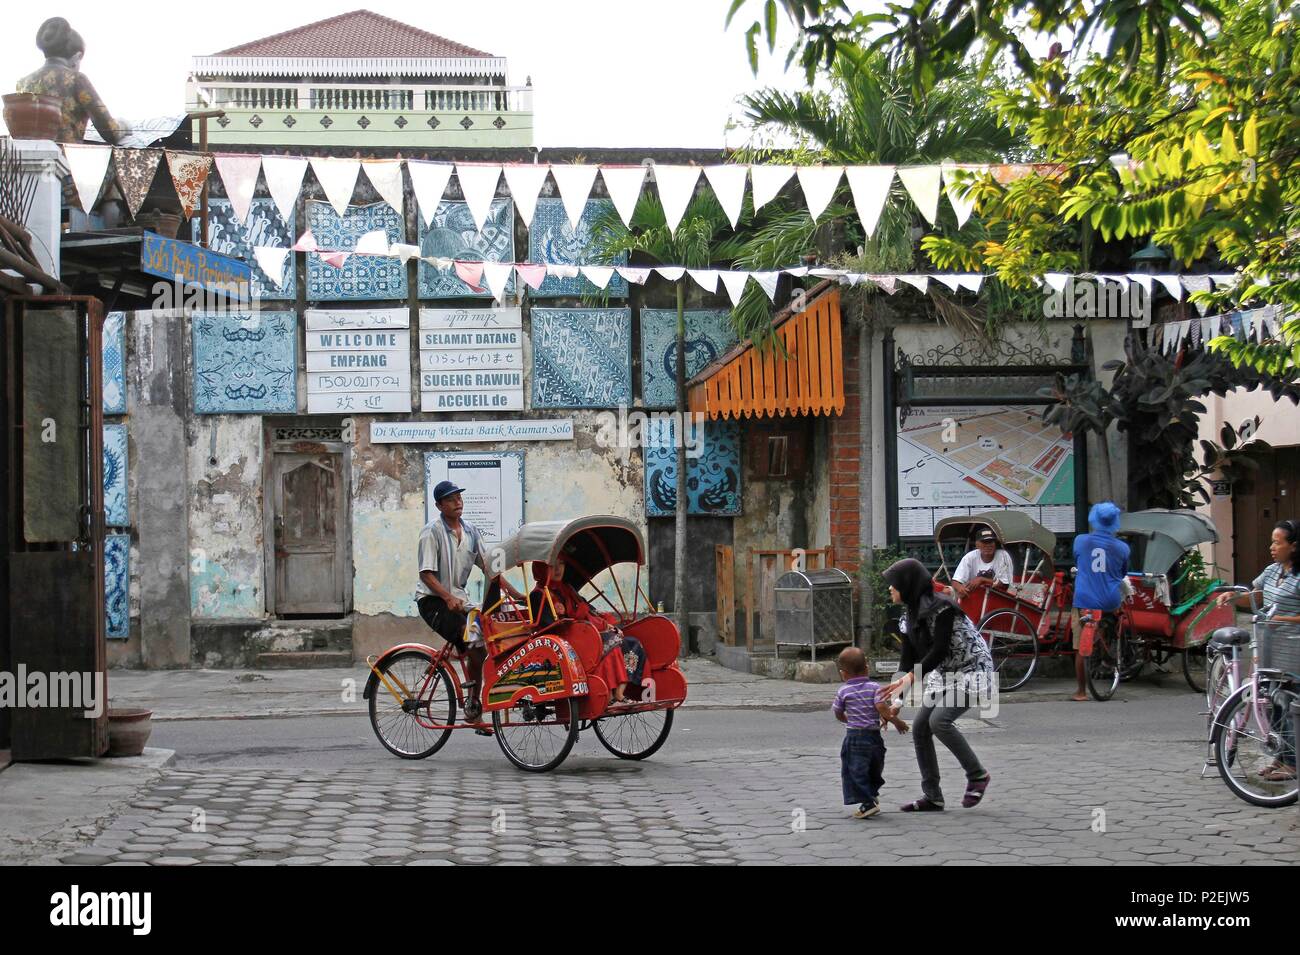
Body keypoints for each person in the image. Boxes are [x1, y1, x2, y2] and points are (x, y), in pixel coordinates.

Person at [879, 558, 994, 812]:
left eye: (894, 584)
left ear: (908, 585)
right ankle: (932, 796)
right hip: (944, 672)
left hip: (971, 669)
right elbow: (907, 660)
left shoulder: (943, 609)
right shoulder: (908, 616)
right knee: (920, 727)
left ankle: (977, 775)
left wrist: (910, 678)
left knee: (939, 721)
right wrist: (896, 701)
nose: (890, 588)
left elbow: (939, 651)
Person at [415, 481, 523, 724]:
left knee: (489, 638)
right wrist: (447, 596)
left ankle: (473, 697)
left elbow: (489, 568)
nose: (458, 503)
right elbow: (426, 574)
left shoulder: (472, 531)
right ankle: (473, 706)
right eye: (451, 499)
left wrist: (516, 595)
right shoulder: (431, 532)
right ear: (439, 505)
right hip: (433, 602)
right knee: (475, 645)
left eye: (459, 498)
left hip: (459, 602)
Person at [1215, 518, 1300, 781]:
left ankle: (1294, 764)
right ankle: (1281, 757)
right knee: (1271, 703)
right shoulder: (1273, 570)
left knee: (1288, 703)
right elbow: (1257, 593)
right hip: (1268, 645)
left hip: (1293, 649)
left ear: (1294, 546)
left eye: (1278, 542)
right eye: (1272, 541)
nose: (1272, 547)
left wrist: (1281, 619)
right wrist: (1233, 595)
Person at [529, 559, 645, 703]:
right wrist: (574, 619)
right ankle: (609, 692)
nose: (558, 569)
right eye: (552, 566)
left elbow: (588, 609)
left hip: (585, 634)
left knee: (632, 643)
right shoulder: (537, 595)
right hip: (567, 643)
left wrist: (605, 624)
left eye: (561, 563)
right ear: (541, 569)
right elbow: (550, 627)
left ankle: (621, 689)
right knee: (613, 640)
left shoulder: (567, 589)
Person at [15, 18, 124, 144]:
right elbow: (110, 131)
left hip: (26, 159)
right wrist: (124, 125)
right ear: (77, 56)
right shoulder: (76, 79)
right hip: (66, 160)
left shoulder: (24, 83)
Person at [833, 646, 908, 819]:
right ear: (867, 668)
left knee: (854, 770)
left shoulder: (843, 691)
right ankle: (872, 794)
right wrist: (896, 721)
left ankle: (868, 803)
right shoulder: (875, 687)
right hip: (874, 737)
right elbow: (881, 707)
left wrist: (847, 719)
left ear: (843, 674)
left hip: (855, 737)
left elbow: (838, 712)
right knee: (873, 766)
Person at [1070, 501, 1131, 702]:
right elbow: (1123, 573)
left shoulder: (1081, 541)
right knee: (1114, 616)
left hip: (1084, 599)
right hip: (1109, 600)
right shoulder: (1122, 548)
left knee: (1080, 646)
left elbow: (1078, 560)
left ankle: (1081, 691)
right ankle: (1110, 648)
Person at [951, 526, 1015, 599]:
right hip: (973, 595)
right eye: (984, 542)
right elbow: (955, 581)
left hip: (997, 597)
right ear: (977, 544)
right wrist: (961, 588)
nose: (988, 545)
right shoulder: (969, 557)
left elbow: (1005, 584)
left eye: (991, 542)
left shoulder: (1003, 556)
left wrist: (981, 579)